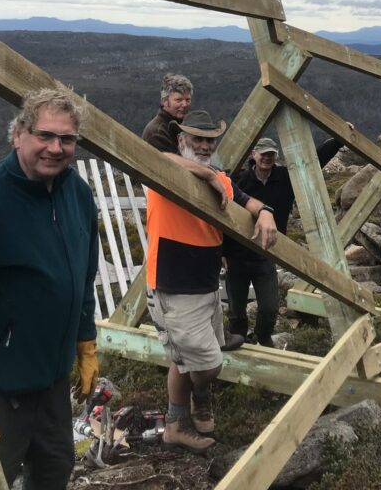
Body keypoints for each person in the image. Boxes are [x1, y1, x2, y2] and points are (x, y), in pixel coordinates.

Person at [0, 88, 99, 490]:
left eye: (66, 139)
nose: (55, 148)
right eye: (45, 135)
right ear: (18, 135)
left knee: (54, 470)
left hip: (52, 380)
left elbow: (84, 275)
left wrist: (85, 340)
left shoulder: (77, 194)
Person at [145, 110, 277, 454]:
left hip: (205, 286)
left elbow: (248, 201)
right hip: (172, 286)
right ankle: (197, 400)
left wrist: (265, 212)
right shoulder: (163, 173)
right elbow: (154, 157)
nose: (205, 146)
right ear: (181, 141)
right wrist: (206, 172)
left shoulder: (222, 180)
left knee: (185, 358)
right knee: (208, 363)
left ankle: (179, 421)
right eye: (197, 140)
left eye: (210, 141)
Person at [227, 133, 345, 346]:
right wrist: (222, 252)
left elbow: (312, 161)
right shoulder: (239, 181)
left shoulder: (285, 178)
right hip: (238, 253)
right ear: (253, 154)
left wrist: (338, 140)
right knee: (236, 310)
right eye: (263, 154)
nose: (267, 158)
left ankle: (263, 338)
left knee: (270, 308)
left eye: (271, 154)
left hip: (268, 253)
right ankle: (239, 341)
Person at [142, 73, 193, 154]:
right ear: (165, 102)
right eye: (179, 100)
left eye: (188, 100)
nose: (185, 104)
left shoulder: (190, 125)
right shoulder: (156, 132)